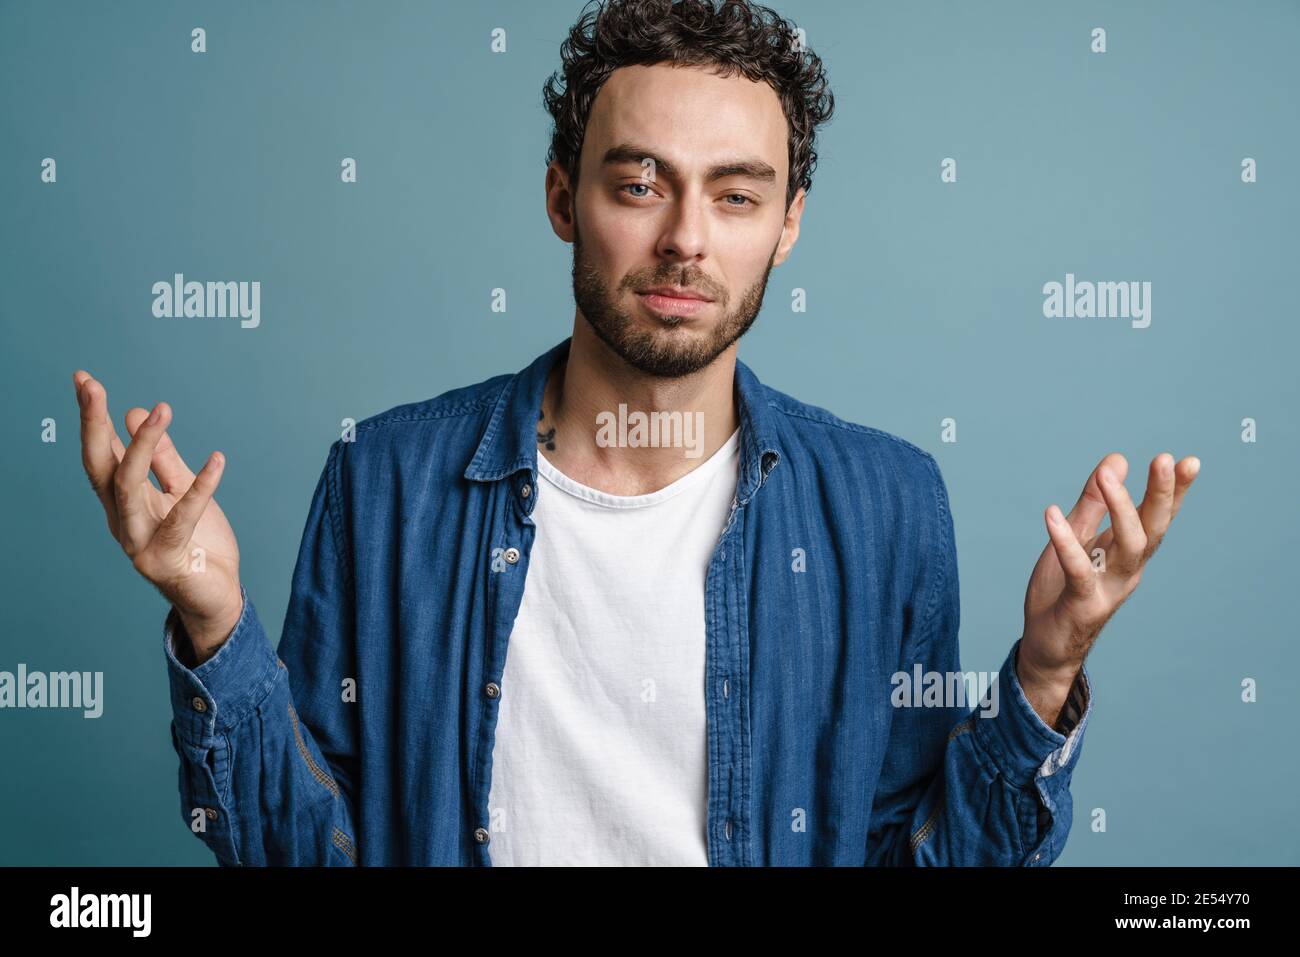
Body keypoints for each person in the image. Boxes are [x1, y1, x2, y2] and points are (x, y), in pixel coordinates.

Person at [72, 0, 1199, 866]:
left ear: (789, 225)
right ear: (563, 197)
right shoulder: (387, 481)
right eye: (640, 184)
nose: (686, 242)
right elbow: (295, 851)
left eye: (738, 196)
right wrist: (213, 620)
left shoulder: (886, 505)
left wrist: (1047, 673)